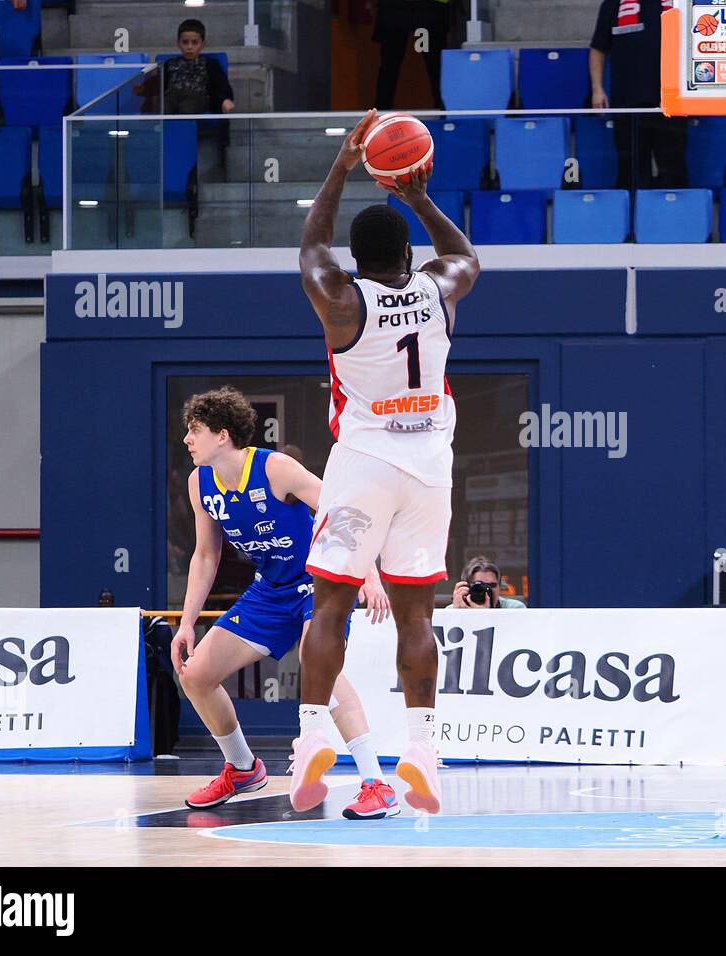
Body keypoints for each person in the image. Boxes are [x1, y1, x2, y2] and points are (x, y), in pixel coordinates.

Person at [295, 109, 480, 816]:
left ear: (357, 260)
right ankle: (423, 748)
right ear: (408, 255)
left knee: (331, 604)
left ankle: (314, 731)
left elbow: (311, 251)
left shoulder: (341, 301)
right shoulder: (438, 289)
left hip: (364, 462)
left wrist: (343, 167)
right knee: (417, 614)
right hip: (430, 467)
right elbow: (465, 256)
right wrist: (418, 195)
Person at [174, 386, 400, 820]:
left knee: (321, 668)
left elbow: (339, 512)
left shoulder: (275, 468)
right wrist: (187, 624)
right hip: (270, 590)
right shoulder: (199, 482)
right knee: (197, 674)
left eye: (194, 430)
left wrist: (369, 573)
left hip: (321, 582)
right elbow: (206, 555)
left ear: (222, 435)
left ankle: (377, 785)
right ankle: (242, 769)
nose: (187, 439)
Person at [589, 0, 688, 190]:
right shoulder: (613, 4)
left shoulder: (679, 3)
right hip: (628, 104)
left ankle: (674, 217)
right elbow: (598, 48)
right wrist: (597, 89)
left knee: (673, 172)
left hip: (671, 103)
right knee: (631, 174)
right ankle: (633, 216)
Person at [139, 19, 235, 115]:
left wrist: (225, 99)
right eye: (185, 42)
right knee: (164, 102)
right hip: (172, 99)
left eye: (194, 42)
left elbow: (221, 85)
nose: (189, 47)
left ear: (202, 44)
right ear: (178, 43)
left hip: (197, 101)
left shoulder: (210, 64)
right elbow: (158, 84)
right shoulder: (169, 64)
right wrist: (143, 89)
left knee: (189, 103)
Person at [373, 0, 451, 111]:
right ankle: (445, 112)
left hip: (418, 10)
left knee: (390, 65)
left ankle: (381, 113)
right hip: (422, 11)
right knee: (391, 65)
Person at [452, 555, 527, 609]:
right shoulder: (454, 609)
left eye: (492, 585)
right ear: (466, 588)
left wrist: (485, 615)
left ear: (499, 587)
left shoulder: (514, 609)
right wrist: (458, 615)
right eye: (480, 585)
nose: (487, 590)